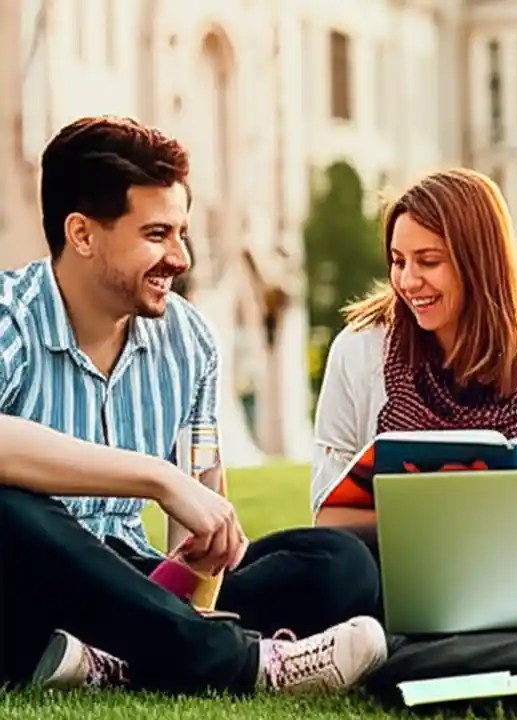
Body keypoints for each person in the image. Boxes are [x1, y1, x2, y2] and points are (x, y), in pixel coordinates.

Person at [0, 115, 386, 694]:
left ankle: (115, 660)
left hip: (139, 583)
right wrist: (155, 477)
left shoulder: (189, 340)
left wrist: (204, 547)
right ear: (82, 234)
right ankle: (244, 664)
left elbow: (201, 487)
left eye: (182, 233)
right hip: (26, 581)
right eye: (157, 235)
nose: (180, 257)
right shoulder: (11, 317)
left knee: (341, 562)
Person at [310, 168, 517, 539]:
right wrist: (445, 518)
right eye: (398, 261)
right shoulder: (360, 347)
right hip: (385, 561)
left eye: (428, 261)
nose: (407, 281)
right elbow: (328, 515)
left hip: (506, 560)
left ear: (477, 261)